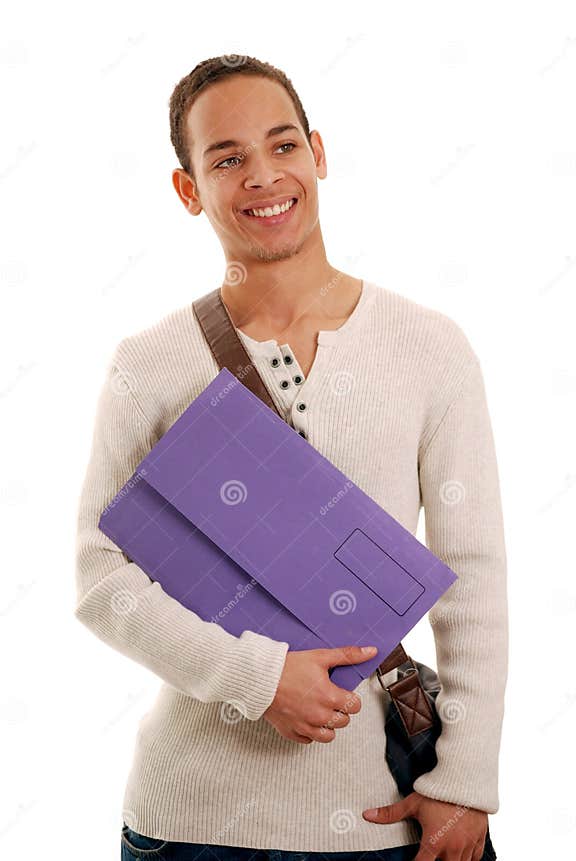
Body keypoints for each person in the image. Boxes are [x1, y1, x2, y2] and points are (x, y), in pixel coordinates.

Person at [75, 55, 507, 861]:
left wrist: (467, 779)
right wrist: (257, 679)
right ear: (187, 189)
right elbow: (100, 577)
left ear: (317, 152)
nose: (263, 176)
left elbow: (473, 571)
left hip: (382, 814)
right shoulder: (152, 362)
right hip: (188, 826)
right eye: (227, 158)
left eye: (282, 146)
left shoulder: (429, 348)